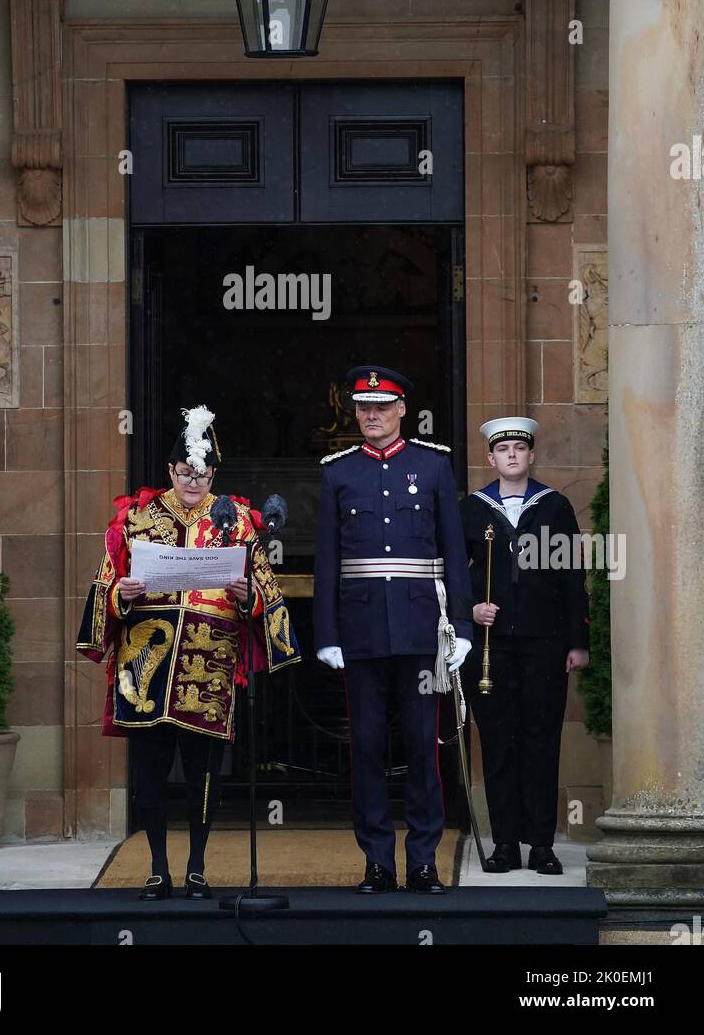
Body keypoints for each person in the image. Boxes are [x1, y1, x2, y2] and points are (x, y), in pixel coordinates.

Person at [77, 405, 300, 900]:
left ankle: (197, 867)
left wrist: (250, 598)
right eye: (183, 472)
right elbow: (104, 584)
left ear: (213, 473)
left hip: (209, 660)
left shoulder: (238, 518)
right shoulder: (136, 517)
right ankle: (157, 867)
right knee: (151, 771)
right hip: (147, 661)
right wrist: (122, 595)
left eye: (201, 473)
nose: (192, 481)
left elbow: (266, 587)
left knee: (204, 772)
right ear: (170, 472)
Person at [314, 366, 473, 895]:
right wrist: (327, 634)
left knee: (424, 749)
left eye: (381, 407)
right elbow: (327, 563)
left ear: (402, 409)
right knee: (367, 749)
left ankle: (423, 860)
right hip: (360, 632)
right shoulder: (338, 473)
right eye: (363, 408)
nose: (372, 415)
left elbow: (455, 552)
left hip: (421, 629)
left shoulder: (432, 467)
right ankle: (377, 862)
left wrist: (465, 628)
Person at [459, 417, 590, 876]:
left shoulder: (554, 506)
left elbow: (573, 576)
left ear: (532, 455)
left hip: (545, 644)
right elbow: (453, 575)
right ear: (490, 458)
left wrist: (578, 641)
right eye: (503, 449)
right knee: (497, 743)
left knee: (540, 740)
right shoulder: (472, 509)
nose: (512, 455)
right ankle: (505, 845)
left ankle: (541, 846)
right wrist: (472, 609)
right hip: (489, 647)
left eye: (519, 447)